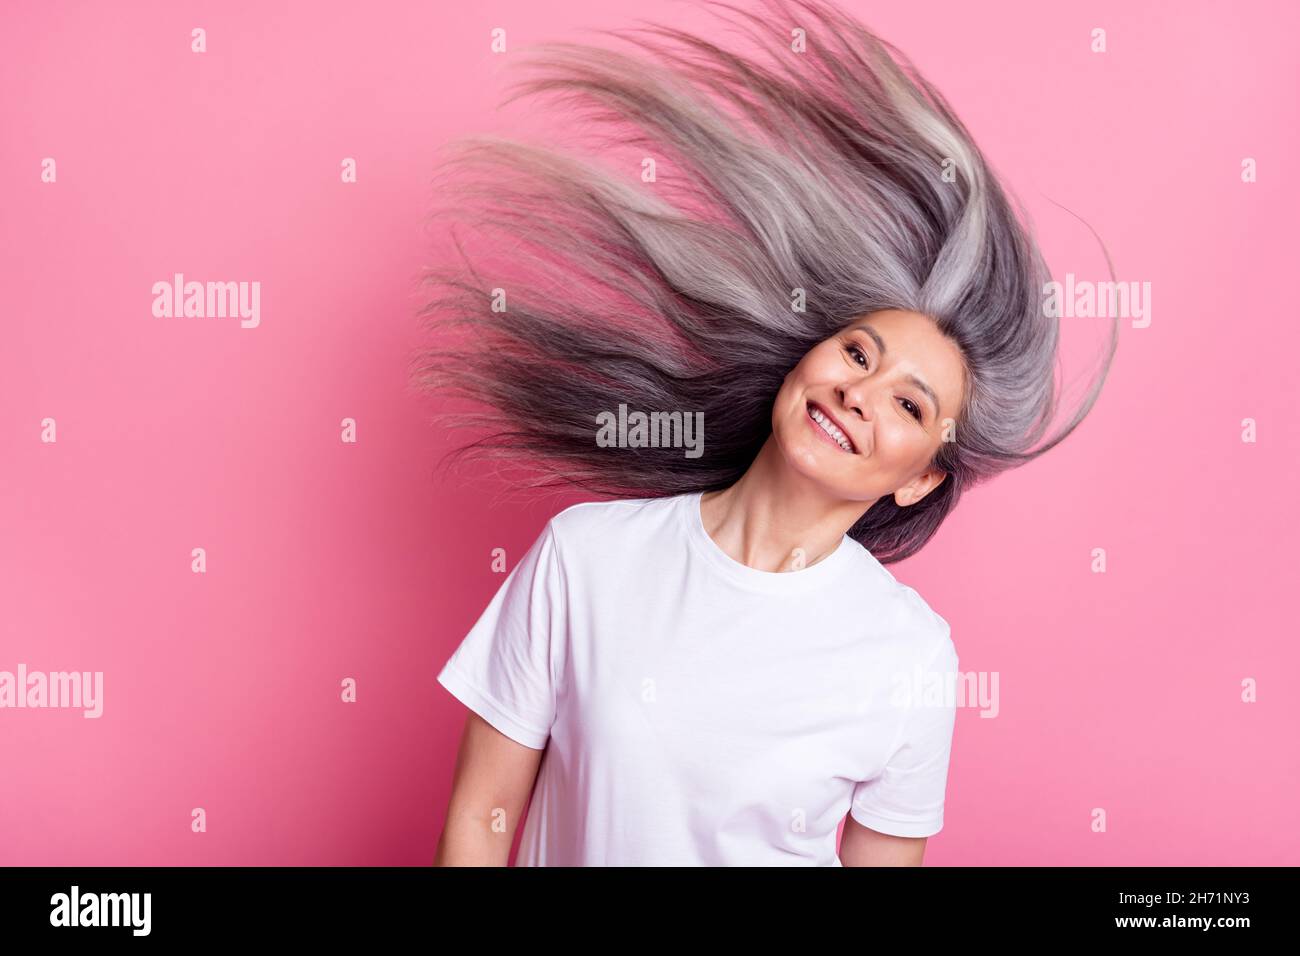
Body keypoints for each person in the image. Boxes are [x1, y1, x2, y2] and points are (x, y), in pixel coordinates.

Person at [414, 0, 1119, 866]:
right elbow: (479, 821)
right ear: (802, 360)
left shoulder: (908, 653)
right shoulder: (585, 556)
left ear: (921, 480)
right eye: (858, 352)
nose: (861, 393)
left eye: (908, 405)